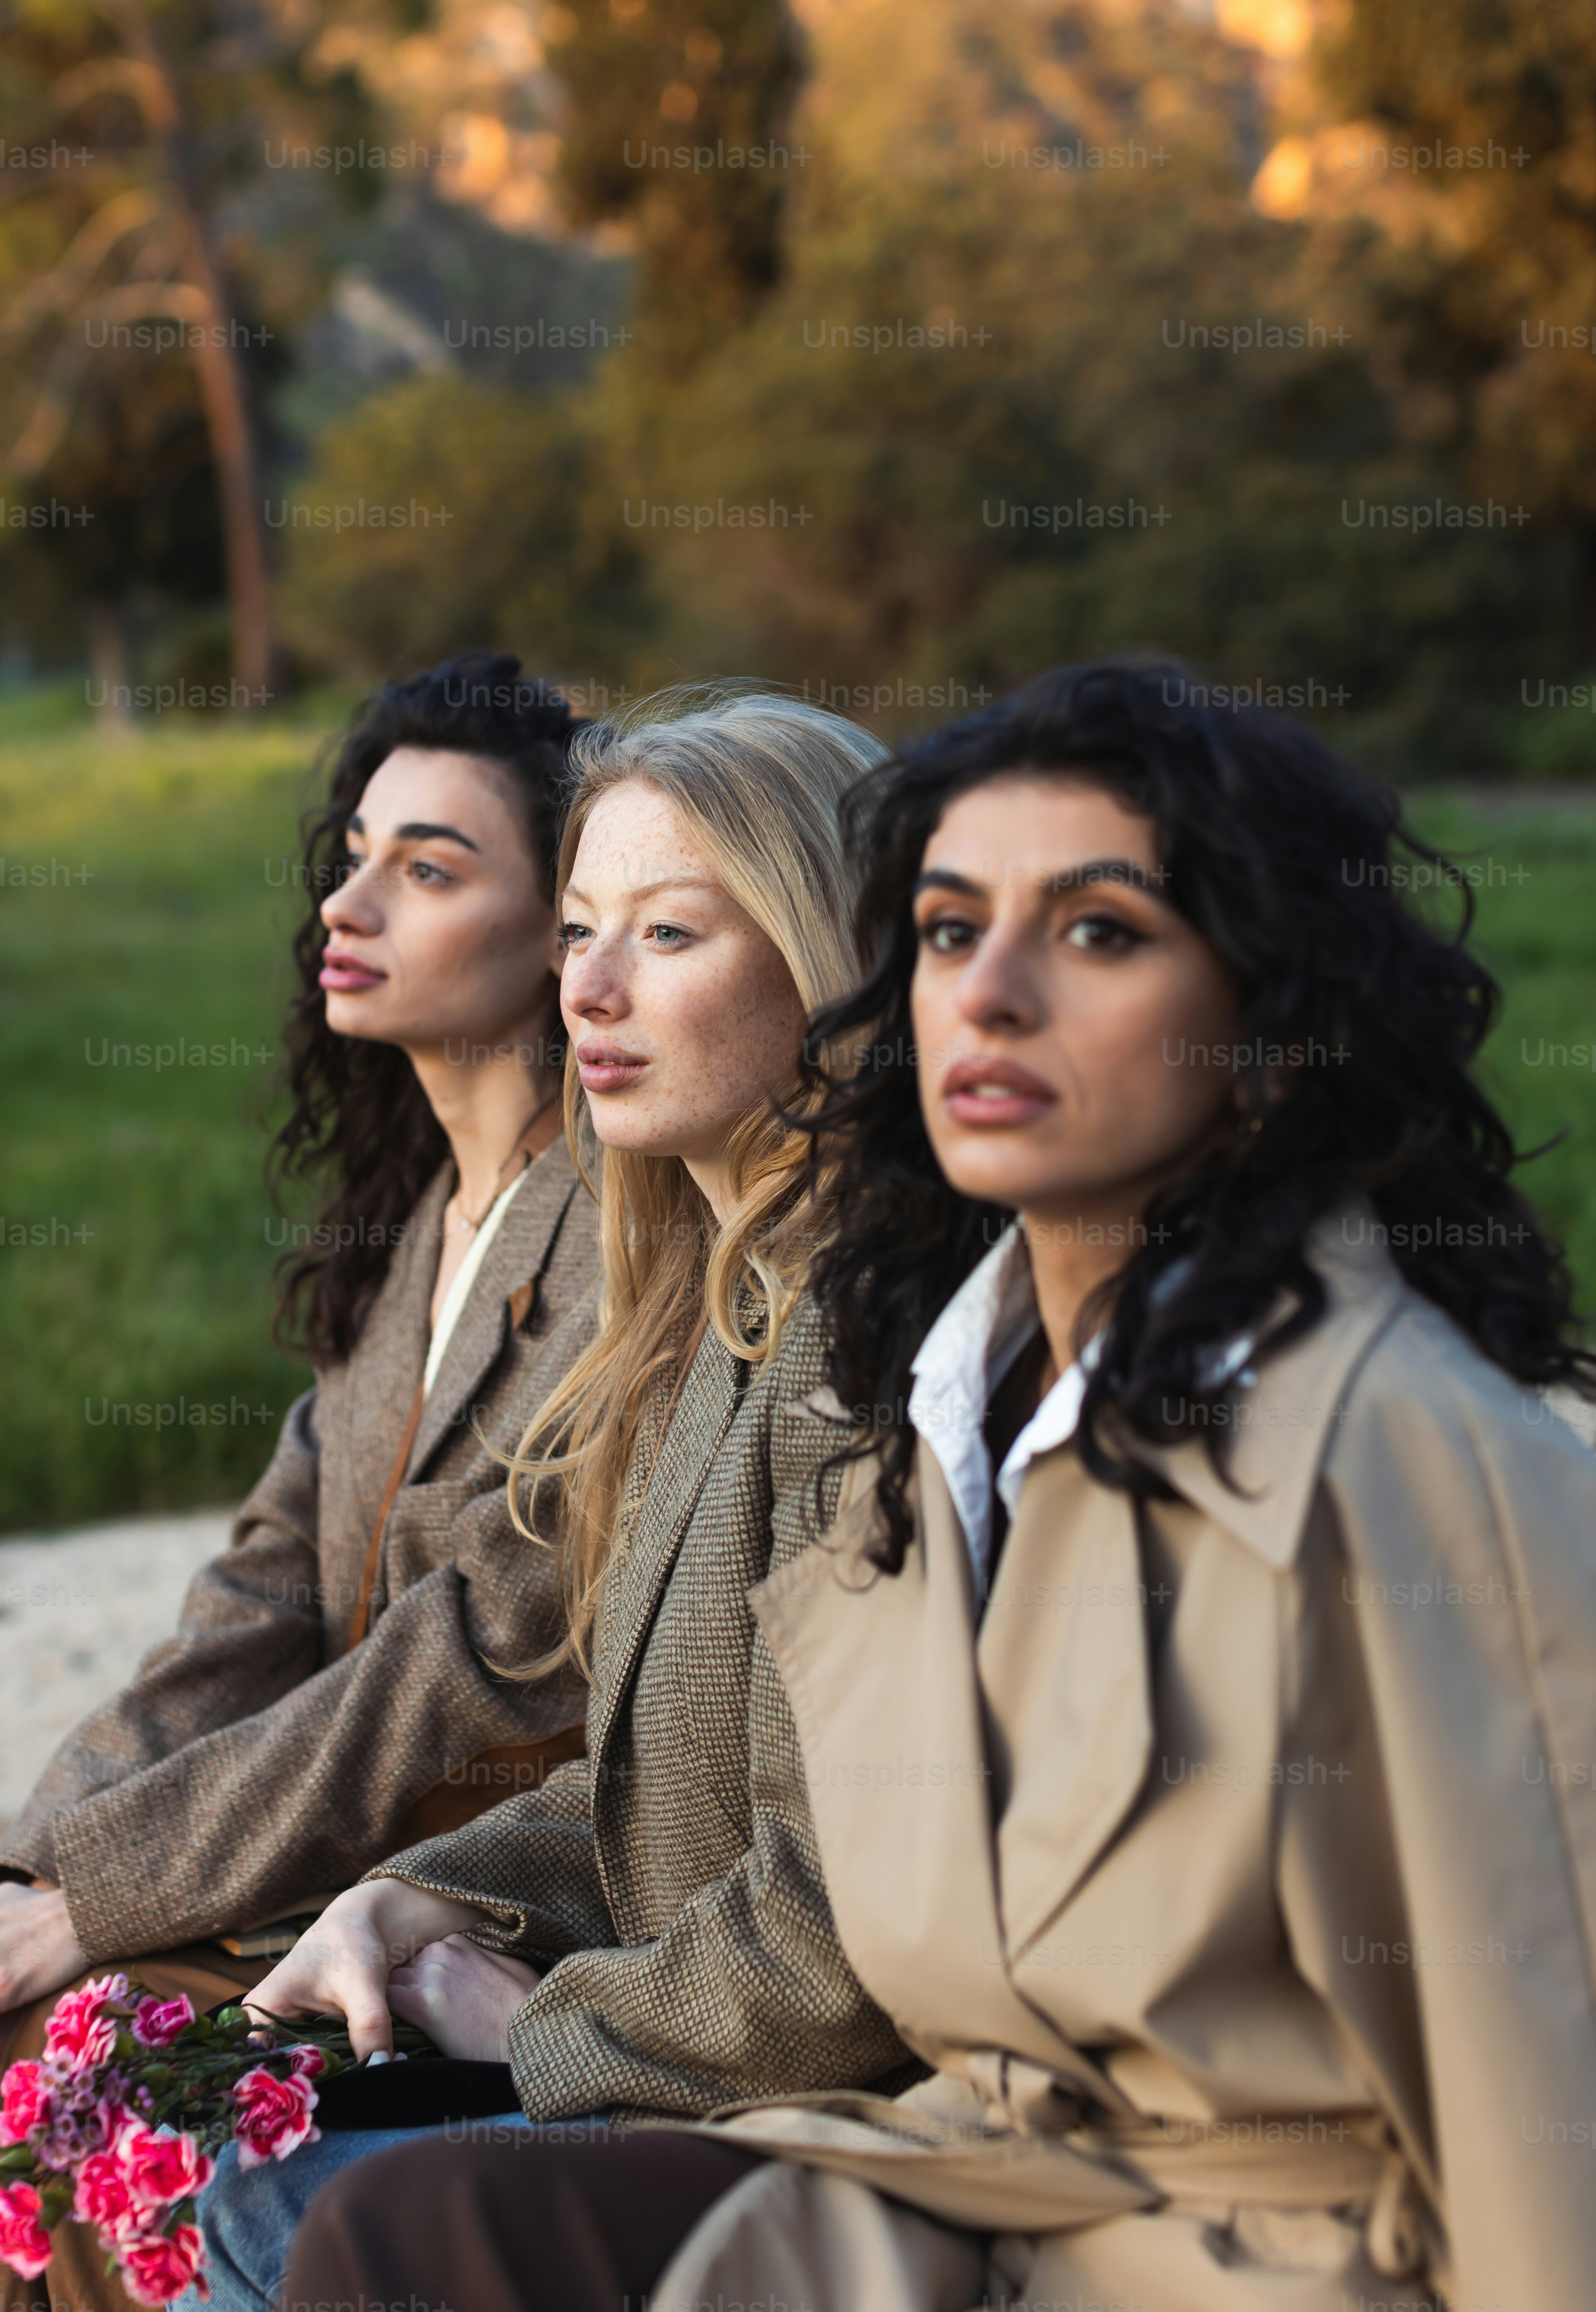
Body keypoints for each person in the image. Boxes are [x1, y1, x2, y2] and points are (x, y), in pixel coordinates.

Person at [281, 660, 1596, 2312]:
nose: (989, 996)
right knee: (412, 2229)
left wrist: (531, 2022)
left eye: (1099, 932)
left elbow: (1546, 2131)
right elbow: (774, 1852)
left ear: (1267, 1017)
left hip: (1256, 2260)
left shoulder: (1419, 1461)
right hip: (971, 2185)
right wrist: (435, 1905)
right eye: (954, 931)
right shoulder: (960, 1406)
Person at [177, 691, 913, 2312]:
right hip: (707, 2050)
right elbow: (659, 1790)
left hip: (860, 2132)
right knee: (209, 2126)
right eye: (580, 931)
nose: (586, 988)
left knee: (281, 2208)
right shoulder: (703, 1317)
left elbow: (857, 1920)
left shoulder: (871, 1355)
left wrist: (547, 2025)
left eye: (667, 933)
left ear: (832, 959)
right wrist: (425, 1895)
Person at [0, 652, 601, 2122]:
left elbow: (448, 1672)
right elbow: (256, 1605)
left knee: (85, 2082)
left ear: (561, 936)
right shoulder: (407, 1232)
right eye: (354, 861)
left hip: (504, 1906)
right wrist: (36, 1866)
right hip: (314, 1853)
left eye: (429, 869)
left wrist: (105, 1899)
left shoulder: (619, 1249)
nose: (349, 906)